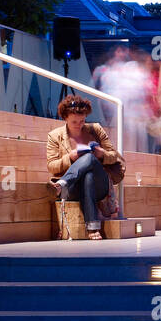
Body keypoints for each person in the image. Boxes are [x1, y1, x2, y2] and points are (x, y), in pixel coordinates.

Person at [46, 95, 125, 241]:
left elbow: (115, 156)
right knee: (87, 176)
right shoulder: (55, 136)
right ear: (65, 118)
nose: (79, 124)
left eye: (82, 120)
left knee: (89, 159)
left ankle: (62, 183)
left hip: (99, 185)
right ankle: (93, 227)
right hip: (73, 188)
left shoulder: (95, 129)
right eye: (74, 122)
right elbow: (51, 166)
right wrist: (70, 157)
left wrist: (101, 154)